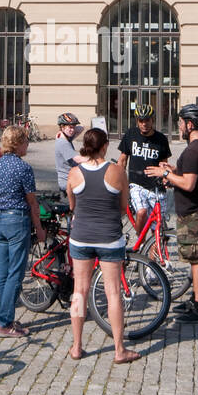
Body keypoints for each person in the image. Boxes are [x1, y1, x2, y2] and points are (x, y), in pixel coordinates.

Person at [66, 127, 139, 364]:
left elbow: (72, 204)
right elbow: (122, 206)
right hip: (109, 237)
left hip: (81, 237)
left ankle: (77, 346)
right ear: (105, 146)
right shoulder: (117, 171)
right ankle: (119, 349)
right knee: (113, 292)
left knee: (79, 291)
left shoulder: (74, 173)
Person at [146, 104, 198, 321]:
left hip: (193, 212)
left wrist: (165, 172)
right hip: (196, 209)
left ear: (190, 124)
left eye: (181, 122)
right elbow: (189, 174)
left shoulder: (194, 150)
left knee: (197, 259)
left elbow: (189, 183)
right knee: (195, 258)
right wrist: (173, 172)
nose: (179, 126)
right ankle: (196, 299)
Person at [0, 125, 45, 339]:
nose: (28, 144)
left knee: (1, 271)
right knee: (16, 273)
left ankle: (0, 317)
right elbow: (31, 201)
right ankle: (5, 323)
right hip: (16, 219)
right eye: (26, 141)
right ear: (18, 143)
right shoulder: (23, 168)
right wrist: (38, 227)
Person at [117, 102, 171, 236]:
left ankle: (152, 253)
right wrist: (119, 181)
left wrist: (165, 178)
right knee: (141, 212)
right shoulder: (131, 134)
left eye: (147, 120)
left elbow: (164, 163)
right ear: (137, 121)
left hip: (155, 186)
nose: (144, 124)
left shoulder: (161, 139)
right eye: (141, 121)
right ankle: (140, 241)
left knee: (157, 228)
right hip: (137, 184)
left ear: (152, 120)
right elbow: (122, 160)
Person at [55, 112, 83, 191]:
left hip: (72, 178)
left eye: (74, 127)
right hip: (67, 182)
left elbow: (81, 128)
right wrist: (95, 160)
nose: (73, 130)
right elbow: (78, 159)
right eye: (70, 127)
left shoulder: (67, 138)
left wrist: (62, 131)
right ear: (62, 127)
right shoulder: (63, 143)